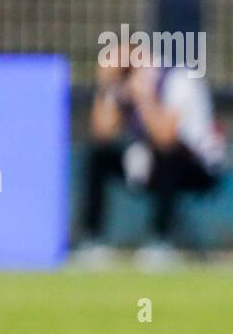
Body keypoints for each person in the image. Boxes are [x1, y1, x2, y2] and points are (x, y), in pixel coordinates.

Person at [75, 46, 225, 267]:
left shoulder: (179, 79)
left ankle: (161, 242)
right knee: (99, 157)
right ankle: (93, 241)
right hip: (151, 161)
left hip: (198, 166)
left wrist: (143, 97)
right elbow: (102, 134)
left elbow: (166, 137)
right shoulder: (123, 85)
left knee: (166, 155)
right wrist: (107, 88)